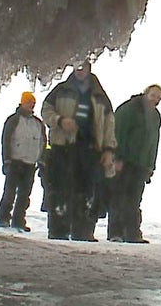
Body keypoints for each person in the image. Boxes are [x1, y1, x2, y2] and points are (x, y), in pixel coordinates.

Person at [42, 62, 117, 241]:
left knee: (88, 190)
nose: (80, 70)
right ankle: (58, 231)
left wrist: (109, 149)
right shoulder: (61, 90)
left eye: (83, 66)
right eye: (77, 65)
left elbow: (109, 124)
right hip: (63, 146)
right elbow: (46, 110)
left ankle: (83, 231)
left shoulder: (100, 96)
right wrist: (60, 121)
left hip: (91, 148)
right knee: (60, 188)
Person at [111, 84, 161, 242]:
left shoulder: (155, 116)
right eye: (153, 95)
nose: (155, 99)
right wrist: (117, 158)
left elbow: (154, 142)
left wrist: (150, 165)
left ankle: (132, 233)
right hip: (125, 160)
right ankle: (116, 233)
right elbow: (117, 133)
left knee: (134, 199)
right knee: (120, 197)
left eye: (158, 97)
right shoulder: (129, 109)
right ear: (146, 93)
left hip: (141, 164)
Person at [0, 91, 46, 232]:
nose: (31, 105)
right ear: (22, 102)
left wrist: (41, 159)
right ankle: (3, 218)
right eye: (28, 102)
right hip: (15, 161)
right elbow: (5, 140)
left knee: (25, 194)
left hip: (31, 163)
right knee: (10, 192)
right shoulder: (13, 120)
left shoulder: (38, 123)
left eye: (32, 102)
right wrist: (6, 160)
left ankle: (19, 220)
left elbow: (43, 142)